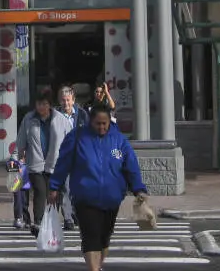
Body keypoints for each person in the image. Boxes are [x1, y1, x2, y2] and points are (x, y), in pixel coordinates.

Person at [48, 103, 149, 271]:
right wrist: (54, 186)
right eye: (98, 123)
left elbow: (131, 166)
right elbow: (63, 164)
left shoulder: (119, 140)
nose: (101, 127)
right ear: (90, 122)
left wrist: (139, 189)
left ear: (109, 122)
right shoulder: (77, 137)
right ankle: (93, 269)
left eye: (105, 124)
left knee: (104, 237)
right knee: (90, 236)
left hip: (112, 198)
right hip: (85, 196)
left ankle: (98, 266)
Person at [15, 89, 70, 236]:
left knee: (52, 195)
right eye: (39, 104)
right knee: (40, 192)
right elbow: (21, 139)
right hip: (36, 163)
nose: (41, 107)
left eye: (44, 104)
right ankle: (38, 222)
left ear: (50, 105)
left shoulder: (60, 119)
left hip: (55, 164)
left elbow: (70, 140)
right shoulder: (29, 119)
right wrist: (20, 155)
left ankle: (50, 221)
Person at [57, 85, 89, 230]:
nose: (66, 103)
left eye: (68, 100)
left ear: (73, 100)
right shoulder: (55, 115)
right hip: (62, 156)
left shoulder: (82, 114)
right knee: (66, 188)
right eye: (63, 100)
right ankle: (68, 218)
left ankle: (76, 213)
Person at [6, 157, 31, 229]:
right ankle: (17, 219)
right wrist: (16, 166)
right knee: (18, 201)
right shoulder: (15, 155)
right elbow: (8, 165)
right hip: (16, 182)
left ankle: (27, 220)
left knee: (25, 202)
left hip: (26, 183)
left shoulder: (30, 156)